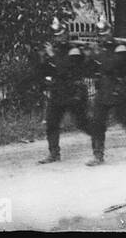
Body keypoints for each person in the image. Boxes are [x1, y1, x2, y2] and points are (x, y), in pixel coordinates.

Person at [86, 18, 126, 166]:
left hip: (120, 88)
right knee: (97, 122)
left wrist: (97, 54)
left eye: (104, 34)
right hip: (104, 89)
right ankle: (98, 155)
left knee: (125, 119)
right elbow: (89, 68)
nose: (102, 37)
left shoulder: (121, 47)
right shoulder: (99, 48)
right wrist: (90, 56)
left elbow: (111, 65)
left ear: (110, 32)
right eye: (99, 35)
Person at [36, 17, 92, 165]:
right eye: (56, 35)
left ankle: (98, 139)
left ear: (66, 34)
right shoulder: (54, 51)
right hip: (58, 92)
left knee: (82, 123)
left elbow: (65, 69)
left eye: (61, 34)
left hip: (73, 91)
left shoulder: (74, 50)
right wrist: (43, 60)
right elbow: (47, 71)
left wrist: (52, 56)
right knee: (51, 123)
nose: (59, 38)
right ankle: (54, 153)